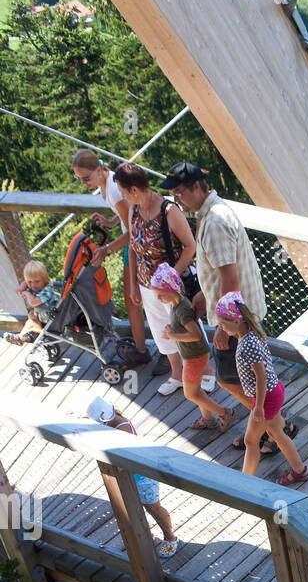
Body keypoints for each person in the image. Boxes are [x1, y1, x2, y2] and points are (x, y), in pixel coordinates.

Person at [159, 162, 296, 458]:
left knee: (231, 379)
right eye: (173, 194)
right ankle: (276, 426)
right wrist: (204, 298)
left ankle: (276, 428)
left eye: (180, 191)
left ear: (197, 187)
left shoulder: (216, 222)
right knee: (243, 379)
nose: (176, 199)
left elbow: (229, 278)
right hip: (240, 313)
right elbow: (219, 274)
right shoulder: (212, 213)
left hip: (237, 320)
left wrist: (222, 326)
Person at [113, 161, 215, 398]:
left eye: (123, 191)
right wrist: (134, 285)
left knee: (187, 323)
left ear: (134, 190)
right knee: (161, 328)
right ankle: (177, 372)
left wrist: (171, 275)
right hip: (146, 283)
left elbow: (190, 246)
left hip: (172, 286)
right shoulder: (133, 210)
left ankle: (206, 369)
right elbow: (133, 246)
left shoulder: (169, 211)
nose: (123, 196)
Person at [214, 292, 308, 483]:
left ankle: (244, 484)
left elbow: (261, 376)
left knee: (250, 440)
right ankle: (299, 470)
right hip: (272, 392)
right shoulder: (249, 331)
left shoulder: (248, 343)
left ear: (235, 320)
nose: (221, 328)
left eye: (223, 324)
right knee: (276, 433)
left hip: (266, 397)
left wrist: (258, 406)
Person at [71, 148, 150, 367]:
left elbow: (133, 229)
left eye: (86, 178)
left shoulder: (113, 190)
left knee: (133, 299)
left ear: (98, 169)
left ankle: (142, 351)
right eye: (79, 179)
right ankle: (142, 347)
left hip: (136, 245)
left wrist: (108, 249)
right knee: (134, 298)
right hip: (133, 242)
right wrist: (111, 223)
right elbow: (127, 215)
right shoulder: (106, 185)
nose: (83, 182)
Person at [83, 395, 180, 557]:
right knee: (133, 507)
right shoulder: (114, 422)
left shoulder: (122, 430)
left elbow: (111, 447)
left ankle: (171, 537)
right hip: (127, 475)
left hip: (142, 476)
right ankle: (147, 534)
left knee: (153, 508)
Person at [150, 263, 236, 434]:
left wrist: (172, 336)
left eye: (161, 295)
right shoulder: (177, 304)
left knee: (191, 394)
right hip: (194, 354)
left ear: (171, 289)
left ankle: (224, 413)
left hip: (194, 357)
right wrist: (173, 329)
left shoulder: (182, 310)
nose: (159, 299)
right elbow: (185, 328)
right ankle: (208, 419)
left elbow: (196, 335)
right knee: (198, 390)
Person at [3, 260, 58, 344]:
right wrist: (21, 288)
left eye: (36, 281)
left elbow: (33, 302)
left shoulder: (47, 290)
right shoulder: (33, 284)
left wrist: (27, 293)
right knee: (31, 319)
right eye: (30, 282)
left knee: (32, 320)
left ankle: (21, 338)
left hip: (51, 317)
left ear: (45, 279)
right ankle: (21, 337)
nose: (32, 285)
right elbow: (24, 282)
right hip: (41, 314)